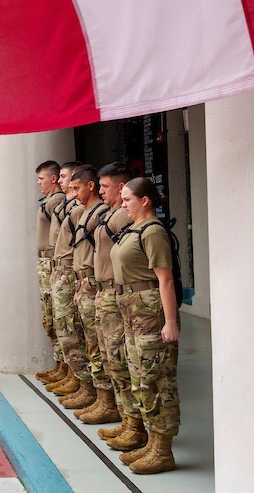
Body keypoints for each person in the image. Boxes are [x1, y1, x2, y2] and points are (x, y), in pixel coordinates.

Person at [108, 177, 180, 475]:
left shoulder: (152, 232)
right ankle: (151, 441)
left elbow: (165, 279)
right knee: (140, 377)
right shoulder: (134, 229)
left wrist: (170, 321)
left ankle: (163, 450)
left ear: (145, 200)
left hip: (149, 310)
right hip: (132, 309)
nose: (123, 204)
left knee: (157, 378)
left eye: (128, 199)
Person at [66, 165, 114, 418]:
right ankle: (94, 392)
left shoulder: (101, 213)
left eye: (77, 188)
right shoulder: (86, 212)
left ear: (90, 186)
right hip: (85, 282)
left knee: (100, 345)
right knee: (89, 340)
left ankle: (106, 401)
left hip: (97, 283)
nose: (74, 194)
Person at [92, 163, 135, 436]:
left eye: (105, 186)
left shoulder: (122, 217)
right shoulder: (110, 214)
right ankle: (121, 414)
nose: (100, 191)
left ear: (121, 187)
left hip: (116, 293)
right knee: (109, 356)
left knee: (120, 358)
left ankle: (132, 422)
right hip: (103, 291)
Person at [45, 162, 83, 396]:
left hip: (70, 270)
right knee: (58, 323)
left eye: (63, 176)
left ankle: (80, 380)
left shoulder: (77, 209)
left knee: (71, 327)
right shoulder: (65, 205)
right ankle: (67, 370)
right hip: (58, 266)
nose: (60, 181)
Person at [35, 162, 68, 384]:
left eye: (42, 179)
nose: (39, 183)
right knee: (50, 316)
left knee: (59, 317)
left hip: (52, 261)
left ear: (53, 179)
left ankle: (67, 368)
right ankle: (60, 365)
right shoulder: (49, 201)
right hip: (46, 261)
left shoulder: (56, 201)